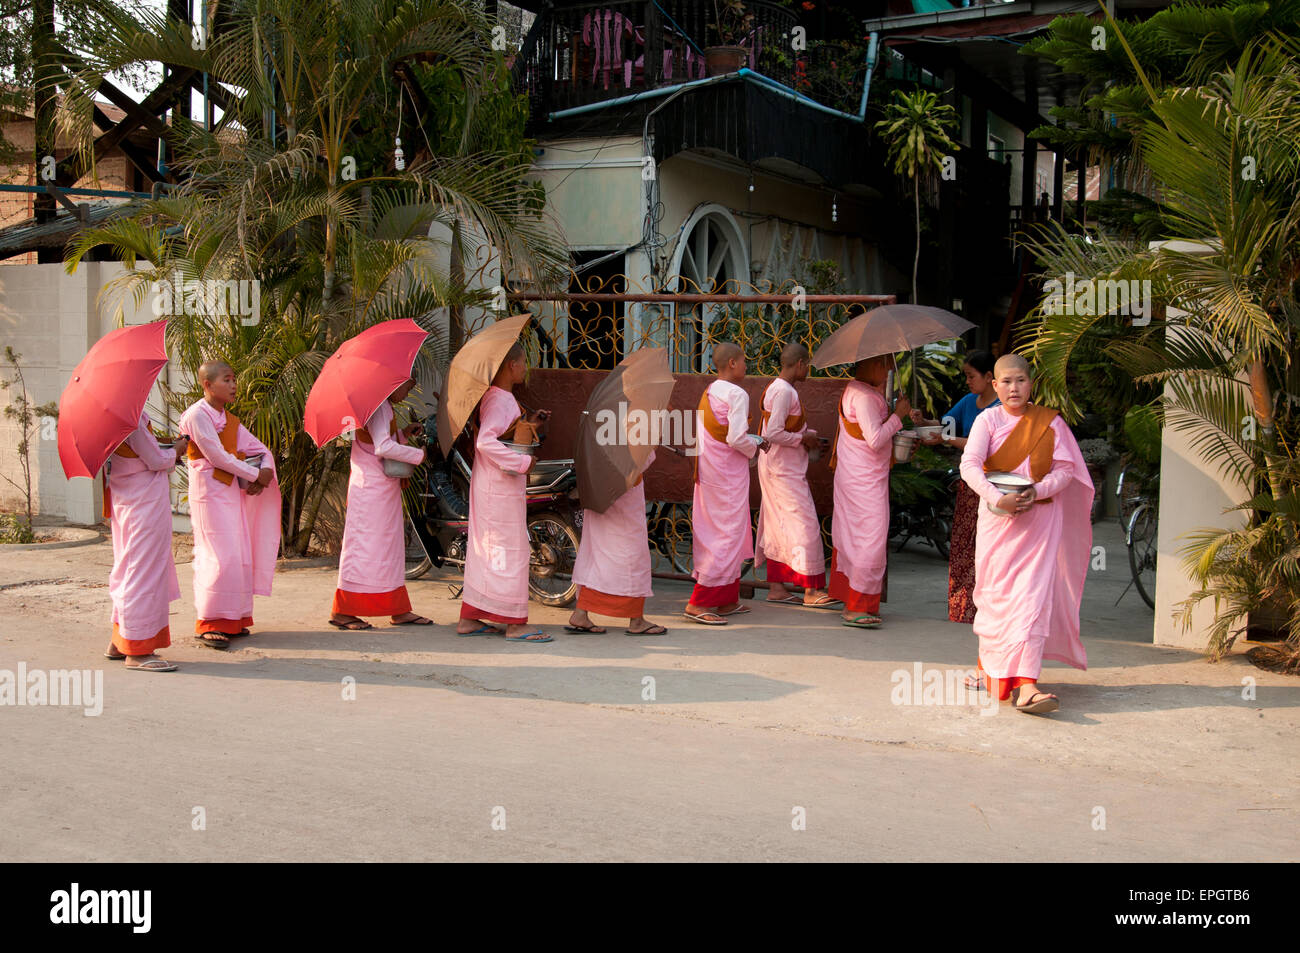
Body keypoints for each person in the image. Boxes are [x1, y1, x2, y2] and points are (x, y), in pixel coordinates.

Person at [959, 353, 1093, 715]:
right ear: (994, 384)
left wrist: (1039, 490)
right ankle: (988, 667)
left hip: (1039, 524)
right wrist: (997, 498)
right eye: (1005, 382)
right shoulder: (987, 421)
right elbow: (969, 466)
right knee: (994, 596)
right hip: (998, 522)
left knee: (1031, 601)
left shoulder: (1050, 423)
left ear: (1031, 383)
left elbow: (1067, 470)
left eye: (1020, 380)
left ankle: (1027, 684)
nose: (1013, 388)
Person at [178, 361, 281, 649]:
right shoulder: (197, 415)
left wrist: (266, 472)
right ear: (208, 385)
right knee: (216, 555)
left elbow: (260, 449)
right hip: (209, 494)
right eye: (227, 380)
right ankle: (208, 622)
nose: (234, 385)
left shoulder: (229, 418)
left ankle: (233, 619)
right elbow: (218, 457)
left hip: (232, 493)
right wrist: (254, 474)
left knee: (236, 554)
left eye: (234, 379)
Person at [455, 343, 553, 643]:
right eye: (523, 362)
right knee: (511, 551)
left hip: (491, 485)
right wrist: (523, 461)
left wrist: (530, 423)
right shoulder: (501, 399)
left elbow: (506, 433)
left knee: (486, 551)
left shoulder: (496, 397)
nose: (526, 368)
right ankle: (514, 623)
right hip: (498, 487)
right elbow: (487, 442)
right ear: (511, 365)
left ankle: (470, 618)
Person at [329, 377, 431, 630]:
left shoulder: (382, 406)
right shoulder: (378, 407)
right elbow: (383, 447)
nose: (408, 394)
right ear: (394, 383)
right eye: (408, 387)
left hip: (380, 489)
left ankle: (398, 608)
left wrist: (404, 434)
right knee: (363, 549)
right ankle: (343, 611)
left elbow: (377, 440)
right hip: (370, 491)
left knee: (388, 549)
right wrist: (419, 455)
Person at [684, 342, 769, 625]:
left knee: (718, 532)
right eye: (744, 360)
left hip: (709, 473)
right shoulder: (737, 393)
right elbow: (735, 438)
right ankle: (700, 602)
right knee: (726, 535)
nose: (746, 365)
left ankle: (726, 600)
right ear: (732, 363)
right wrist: (755, 447)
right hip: (727, 476)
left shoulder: (710, 391)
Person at [912, 349, 999, 622]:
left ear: (988, 377)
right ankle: (963, 608)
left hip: (995, 485)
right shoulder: (968, 401)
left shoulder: (1000, 408)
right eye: (966, 376)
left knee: (991, 547)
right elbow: (947, 426)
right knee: (962, 544)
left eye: (971, 376)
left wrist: (945, 440)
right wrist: (924, 422)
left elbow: (980, 444)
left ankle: (991, 608)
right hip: (969, 482)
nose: (968, 381)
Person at [829, 354, 910, 628]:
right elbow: (875, 439)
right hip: (862, 482)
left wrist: (897, 413)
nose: (888, 371)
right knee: (869, 540)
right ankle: (856, 606)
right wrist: (898, 416)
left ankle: (854, 600)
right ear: (873, 364)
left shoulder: (860, 391)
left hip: (857, 477)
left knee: (856, 537)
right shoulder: (863, 396)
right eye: (886, 365)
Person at [102, 415, 188, 672]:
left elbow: (143, 454)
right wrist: (177, 449)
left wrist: (168, 449)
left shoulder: (120, 416)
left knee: (131, 567)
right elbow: (155, 459)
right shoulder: (129, 419)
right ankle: (138, 650)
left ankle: (121, 640)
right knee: (142, 572)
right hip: (143, 506)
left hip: (131, 500)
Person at [755, 342, 836, 608]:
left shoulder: (781, 389)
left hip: (779, 466)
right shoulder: (783, 391)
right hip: (781, 470)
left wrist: (804, 436)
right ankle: (811, 590)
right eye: (808, 365)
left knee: (778, 525)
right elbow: (774, 433)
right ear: (799, 363)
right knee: (805, 525)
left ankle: (777, 588)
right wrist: (804, 439)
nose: (808, 370)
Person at [568, 449, 666, 636]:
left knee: (595, 551)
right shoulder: (635, 421)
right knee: (632, 555)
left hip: (597, 484)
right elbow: (640, 458)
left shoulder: (597, 419)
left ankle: (581, 613)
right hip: (622, 487)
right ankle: (636, 621)